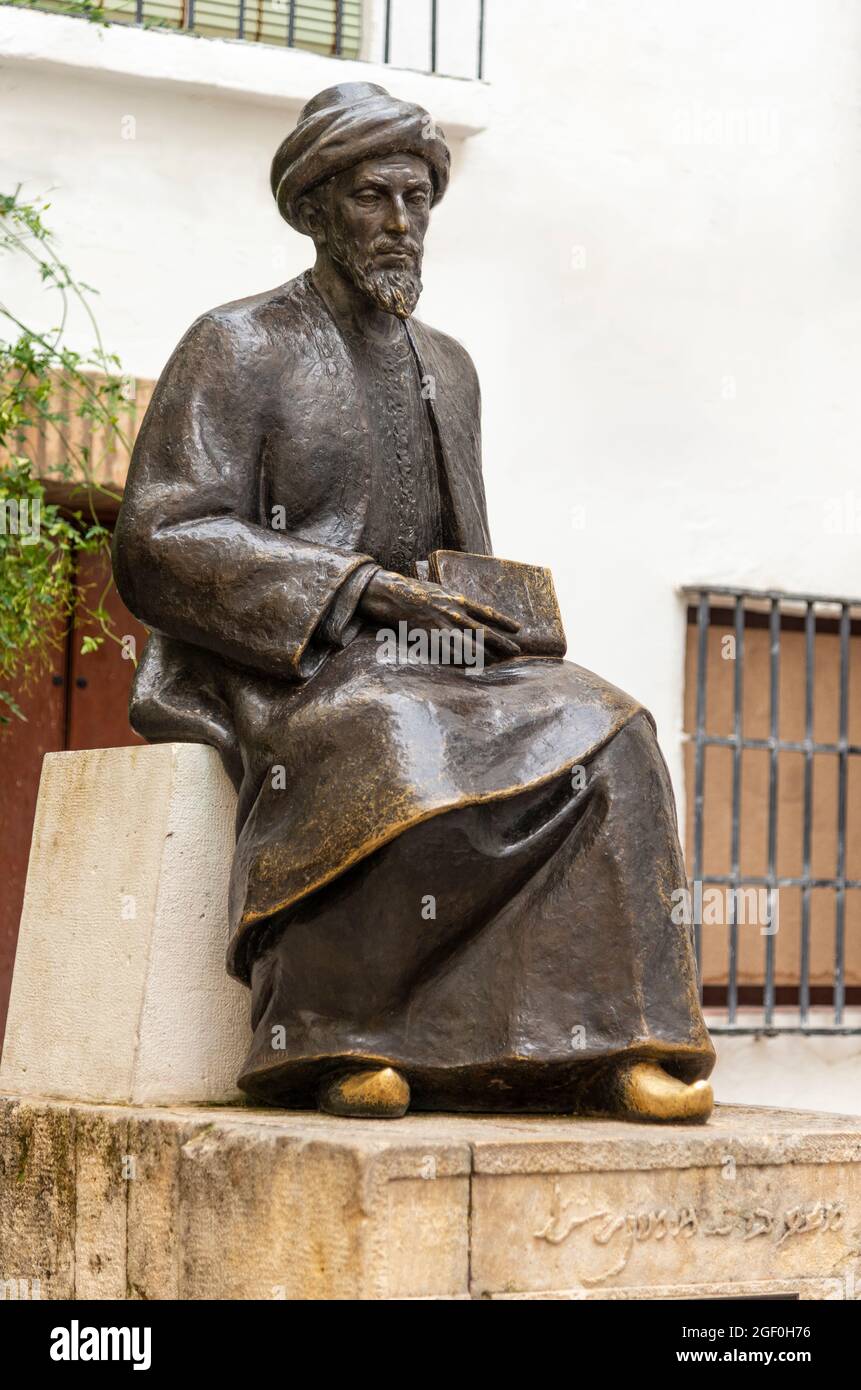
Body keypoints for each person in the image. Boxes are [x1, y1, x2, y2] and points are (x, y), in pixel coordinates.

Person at [113, 82, 714, 1120]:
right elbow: (161, 538)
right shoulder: (238, 343)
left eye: (417, 198)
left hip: (436, 652)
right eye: (372, 197)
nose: (400, 222)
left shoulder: (450, 368)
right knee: (392, 735)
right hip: (296, 656)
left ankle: (610, 1038)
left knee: (611, 728)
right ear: (313, 208)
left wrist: (495, 617)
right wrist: (353, 587)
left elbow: (456, 549)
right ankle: (339, 1037)